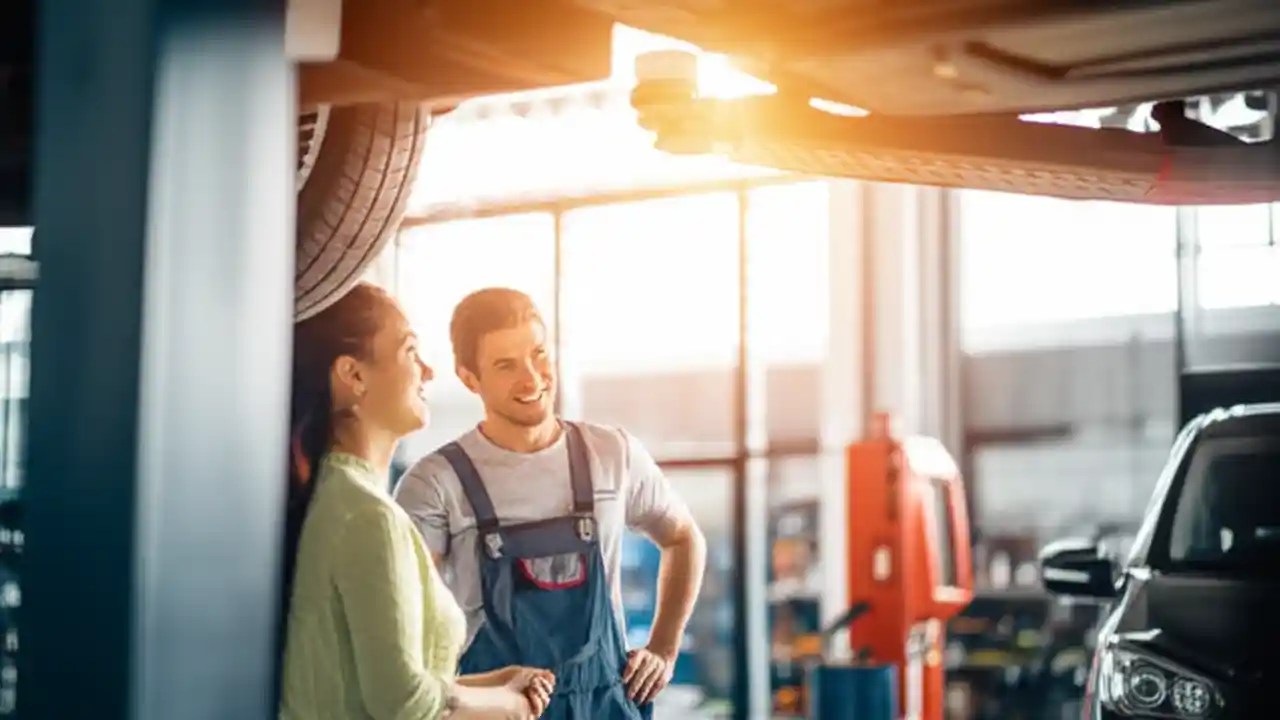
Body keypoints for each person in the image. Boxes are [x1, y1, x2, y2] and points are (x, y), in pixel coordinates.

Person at [393, 288, 708, 719]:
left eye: (538, 353)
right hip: (496, 710)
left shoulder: (612, 454)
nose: (532, 378)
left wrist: (664, 649)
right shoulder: (435, 484)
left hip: (606, 705)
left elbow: (683, 537)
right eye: (506, 365)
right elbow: (409, 633)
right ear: (469, 378)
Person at [277, 282, 557, 720]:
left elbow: (382, 680)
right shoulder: (367, 515)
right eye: (410, 352)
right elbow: (402, 701)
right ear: (354, 375)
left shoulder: (348, 500)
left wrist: (497, 681)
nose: (427, 371)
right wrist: (508, 705)